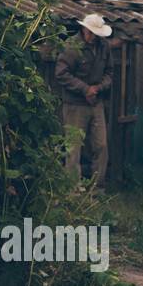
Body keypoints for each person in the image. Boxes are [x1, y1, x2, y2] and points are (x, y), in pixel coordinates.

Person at [55, 14, 112, 190]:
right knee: (73, 148)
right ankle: (72, 190)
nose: (93, 36)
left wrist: (98, 88)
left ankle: (97, 188)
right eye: (91, 33)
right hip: (74, 104)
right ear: (84, 29)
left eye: (97, 33)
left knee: (101, 146)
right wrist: (84, 89)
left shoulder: (104, 46)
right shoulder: (72, 47)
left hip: (96, 102)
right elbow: (61, 74)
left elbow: (110, 73)